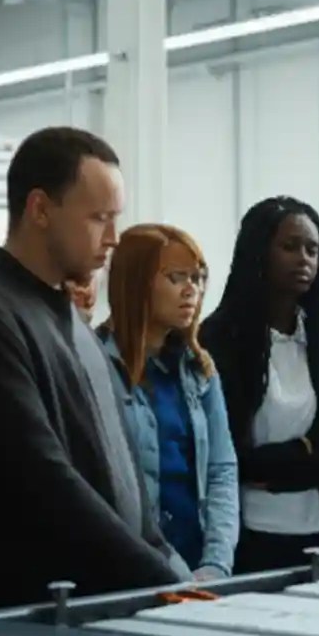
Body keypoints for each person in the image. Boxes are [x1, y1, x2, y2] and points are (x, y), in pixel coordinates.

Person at [0, 127, 191, 636]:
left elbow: (124, 471)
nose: (113, 239)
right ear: (41, 209)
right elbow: (44, 483)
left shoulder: (70, 321)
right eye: (99, 218)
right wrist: (161, 580)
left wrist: (167, 562)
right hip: (33, 629)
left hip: (100, 613)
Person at [199, 196, 319, 573]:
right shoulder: (220, 338)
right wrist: (303, 455)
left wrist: (273, 465)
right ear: (259, 252)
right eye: (289, 247)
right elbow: (227, 453)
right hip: (247, 535)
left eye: (312, 249)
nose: (304, 259)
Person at [98, 224, 240, 580]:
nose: (192, 289)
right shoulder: (96, 364)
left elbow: (222, 469)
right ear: (136, 282)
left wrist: (217, 562)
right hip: (129, 571)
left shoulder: (198, 369)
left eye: (198, 277)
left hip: (198, 565)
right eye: (177, 277)